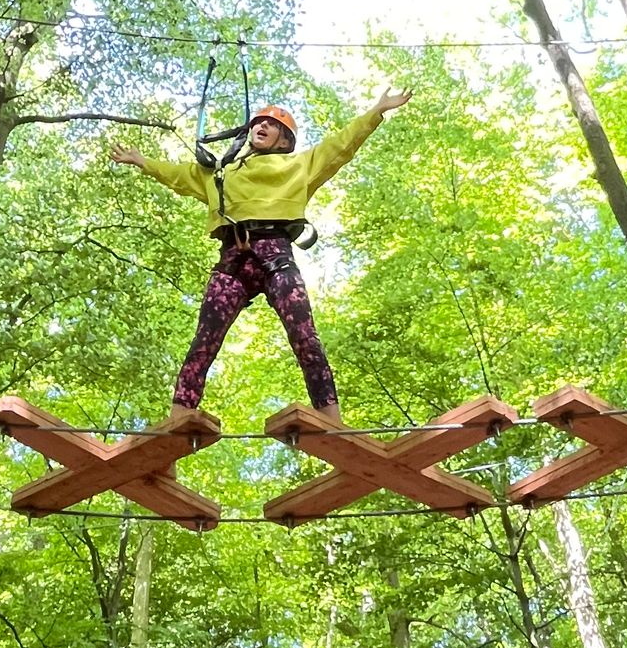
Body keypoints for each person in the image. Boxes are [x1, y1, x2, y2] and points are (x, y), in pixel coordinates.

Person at [110, 91, 412, 413]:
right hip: (232, 261)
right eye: (259, 122)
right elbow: (180, 176)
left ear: (284, 141)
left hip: (276, 256)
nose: (262, 126)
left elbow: (340, 146)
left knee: (305, 336)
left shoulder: (298, 166)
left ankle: (332, 422)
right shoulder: (222, 174)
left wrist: (376, 111)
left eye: (272, 124)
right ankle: (178, 423)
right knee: (204, 341)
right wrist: (142, 162)